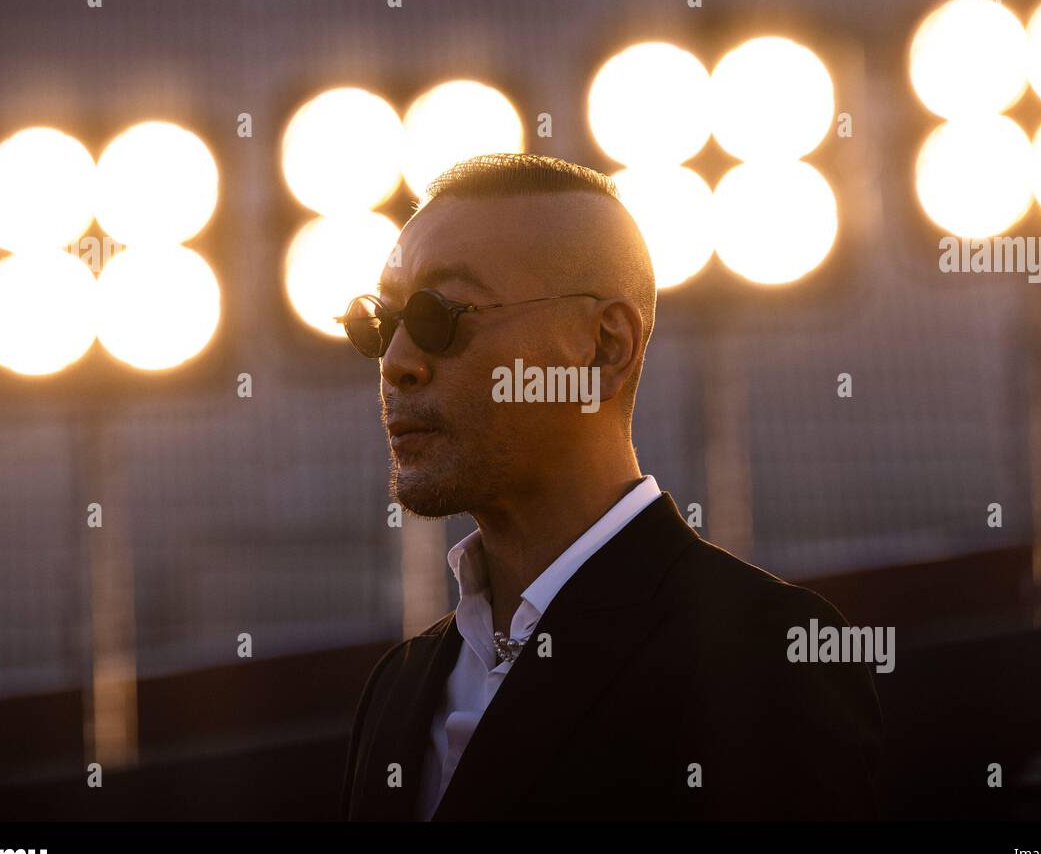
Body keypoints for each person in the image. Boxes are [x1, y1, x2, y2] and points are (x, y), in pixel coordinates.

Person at [339, 153, 882, 820]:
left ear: (603, 346)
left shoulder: (763, 654)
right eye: (380, 324)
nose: (396, 364)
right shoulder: (398, 688)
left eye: (440, 315)